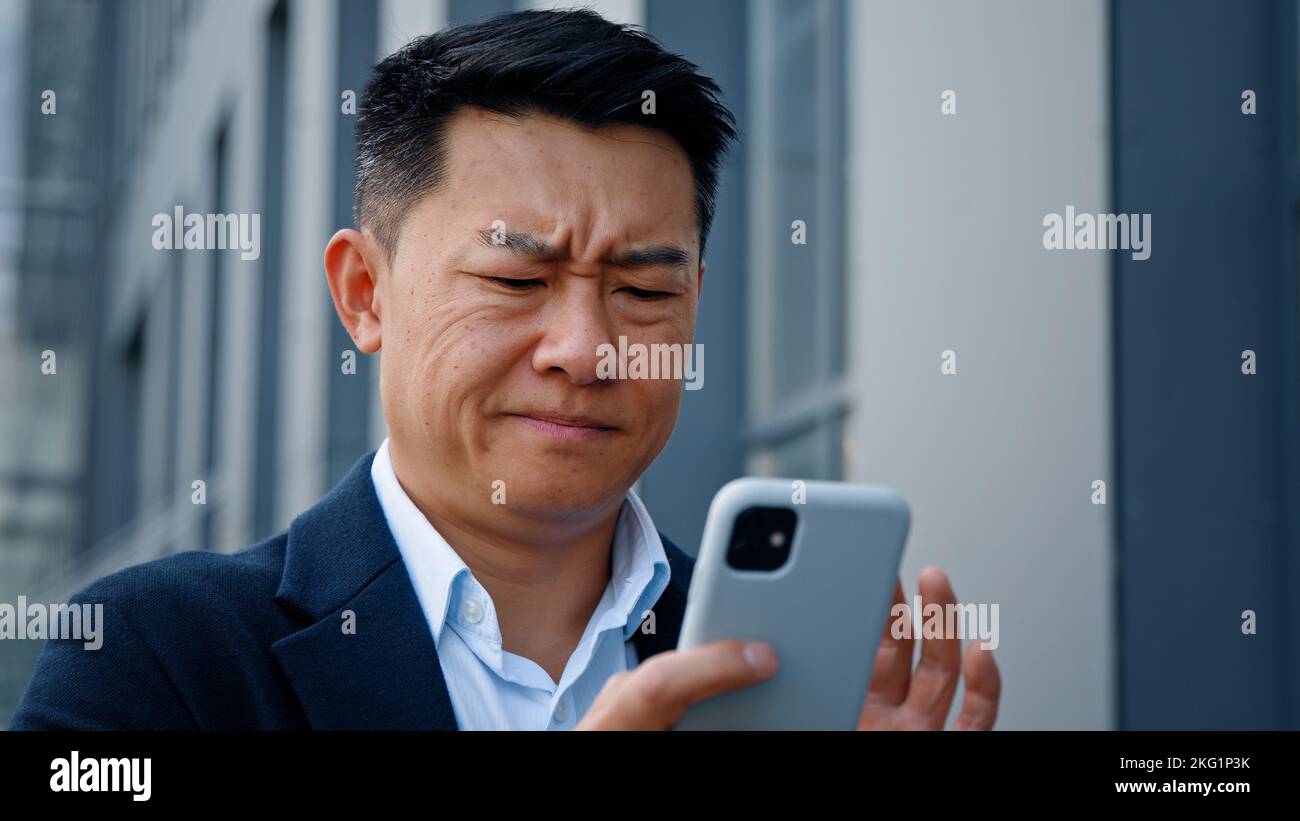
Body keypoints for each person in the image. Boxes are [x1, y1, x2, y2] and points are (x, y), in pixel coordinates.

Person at [11, 8, 999, 731]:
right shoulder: (160, 657)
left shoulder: (784, 672)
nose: (583, 346)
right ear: (364, 293)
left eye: (643, 292)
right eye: (516, 278)